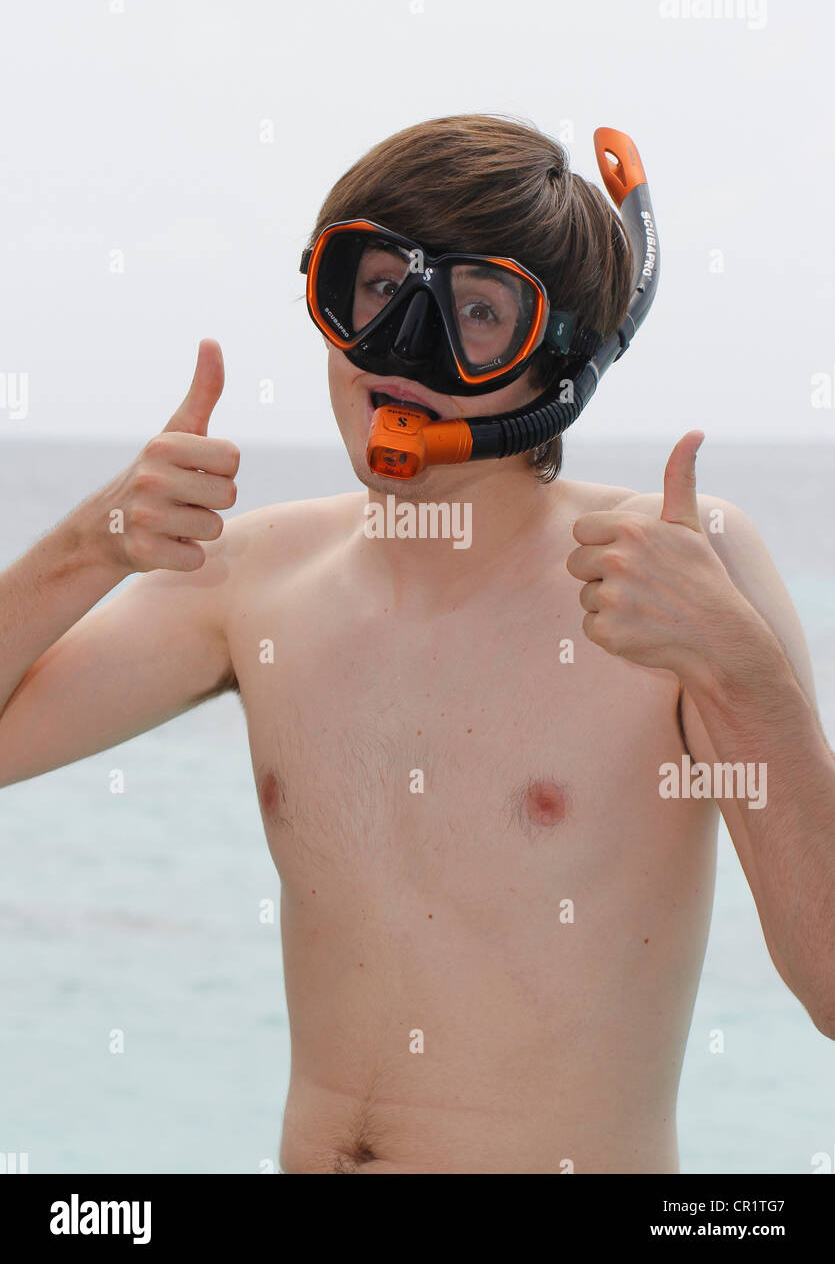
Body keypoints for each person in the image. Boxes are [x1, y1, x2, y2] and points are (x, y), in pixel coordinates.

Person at [1, 115, 833, 1175]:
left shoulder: (681, 572)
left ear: (562, 361)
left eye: (476, 311)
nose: (403, 346)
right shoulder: (249, 581)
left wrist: (738, 669)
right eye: (380, 284)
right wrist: (89, 546)